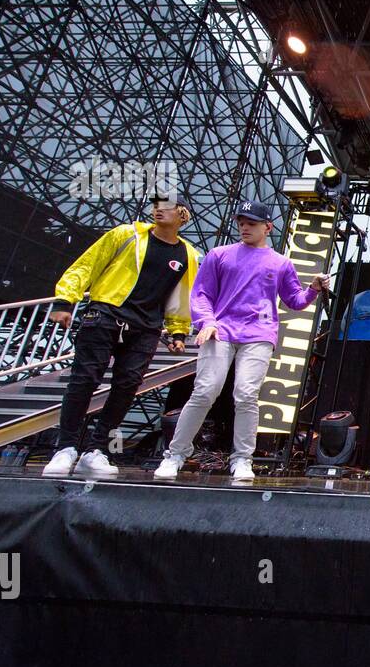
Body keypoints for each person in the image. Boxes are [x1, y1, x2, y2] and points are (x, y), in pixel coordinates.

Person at [154, 199, 329, 482]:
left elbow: (294, 301)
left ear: (267, 227)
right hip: (220, 330)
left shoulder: (280, 263)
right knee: (205, 391)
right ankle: (175, 454)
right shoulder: (219, 255)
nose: (245, 227)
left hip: (259, 334)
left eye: (251, 223)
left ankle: (243, 458)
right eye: (242, 223)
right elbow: (200, 294)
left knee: (246, 394)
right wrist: (207, 322)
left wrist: (313, 289)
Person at [43, 197, 199, 478]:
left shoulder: (187, 255)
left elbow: (181, 296)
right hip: (105, 314)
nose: (159, 209)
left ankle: (96, 449)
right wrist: (65, 300)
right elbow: (87, 264)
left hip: (146, 327)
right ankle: (64, 447)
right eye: (157, 205)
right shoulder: (127, 235)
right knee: (85, 379)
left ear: (183, 214)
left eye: (167, 205)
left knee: (127, 386)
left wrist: (178, 330)